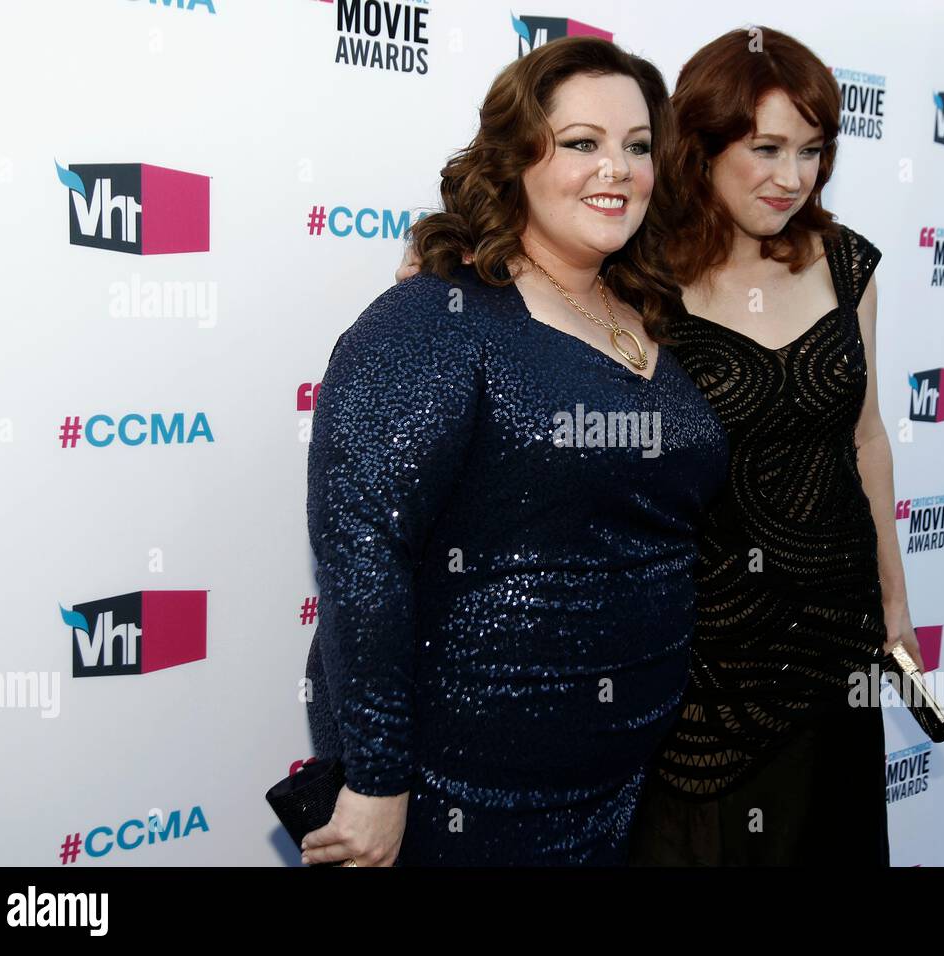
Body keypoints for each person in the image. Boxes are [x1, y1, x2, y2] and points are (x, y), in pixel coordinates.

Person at [300, 37, 727, 866]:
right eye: (581, 143)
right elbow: (363, 550)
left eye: (638, 146)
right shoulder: (435, 318)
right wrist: (379, 779)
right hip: (466, 787)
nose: (617, 169)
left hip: (625, 778)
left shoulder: (644, 311)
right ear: (516, 158)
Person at [626, 26, 921, 866]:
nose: (793, 177)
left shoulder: (845, 263)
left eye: (812, 151)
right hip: (712, 649)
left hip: (838, 629)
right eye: (766, 148)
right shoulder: (641, 276)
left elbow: (866, 437)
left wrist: (895, 604)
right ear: (703, 145)